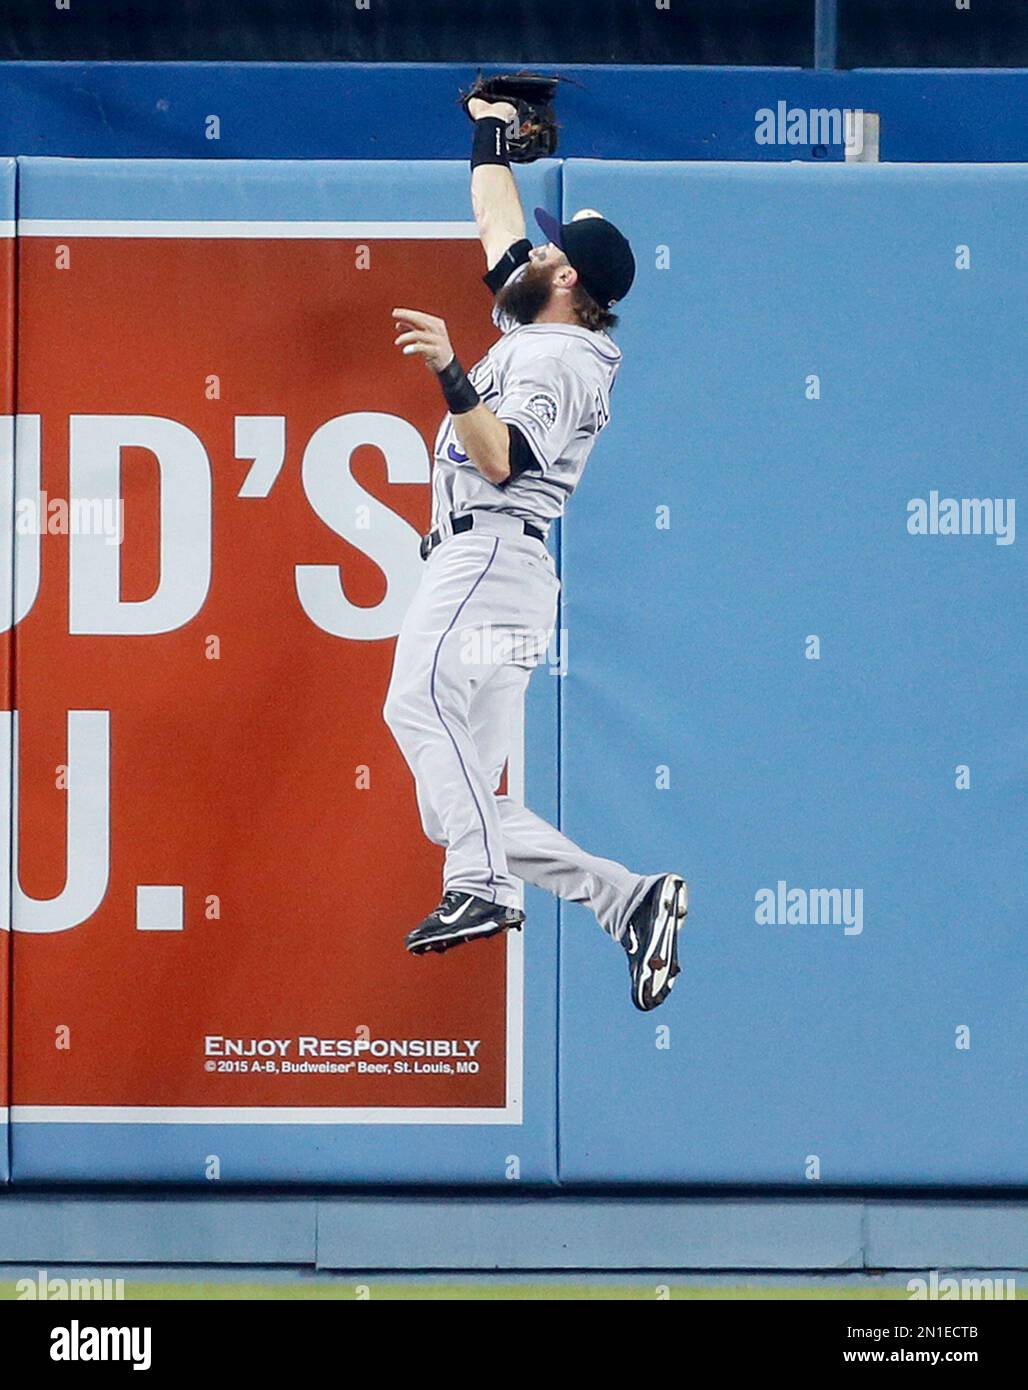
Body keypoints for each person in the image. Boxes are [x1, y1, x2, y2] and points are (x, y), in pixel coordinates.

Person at [384, 97, 687, 1010]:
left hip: (489, 562)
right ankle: (625, 898)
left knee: (416, 702)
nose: (532, 251)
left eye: (551, 251)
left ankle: (480, 888)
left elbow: (505, 459)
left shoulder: (556, 359)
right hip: (500, 578)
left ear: (572, 282)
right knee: (461, 806)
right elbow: (495, 219)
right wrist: (489, 127)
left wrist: (448, 371)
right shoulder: (544, 324)